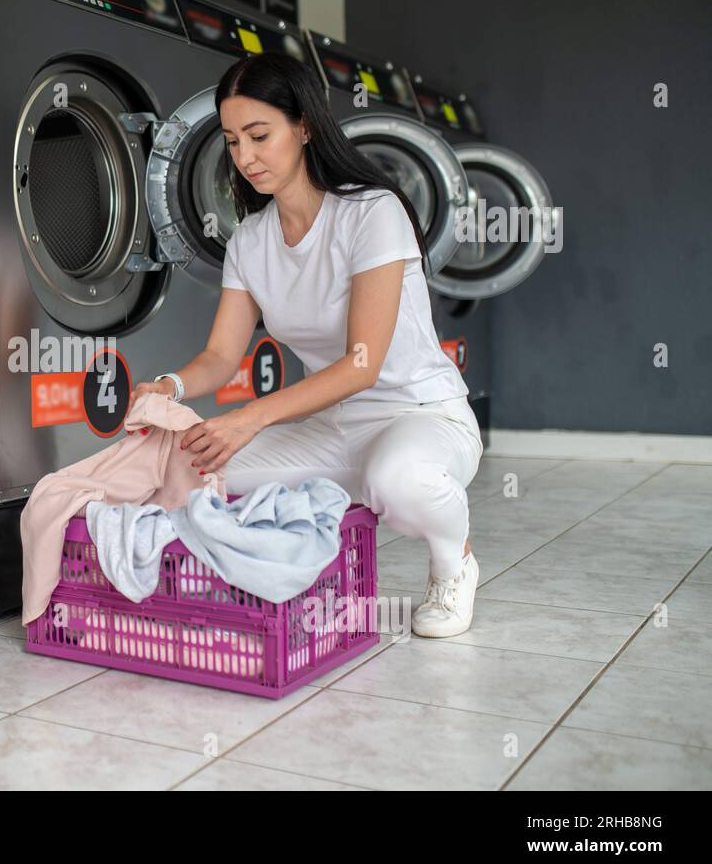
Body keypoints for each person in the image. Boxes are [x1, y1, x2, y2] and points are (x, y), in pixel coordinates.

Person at [131, 52, 484, 638]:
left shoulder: (373, 213)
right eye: (232, 140)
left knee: (399, 479)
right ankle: (267, 570)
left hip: (420, 415)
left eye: (259, 135)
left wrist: (249, 418)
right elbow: (221, 356)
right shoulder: (250, 239)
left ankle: (455, 563)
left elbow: (362, 365)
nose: (244, 157)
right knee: (193, 471)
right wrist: (168, 385)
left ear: (304, 126)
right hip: (331, 428)